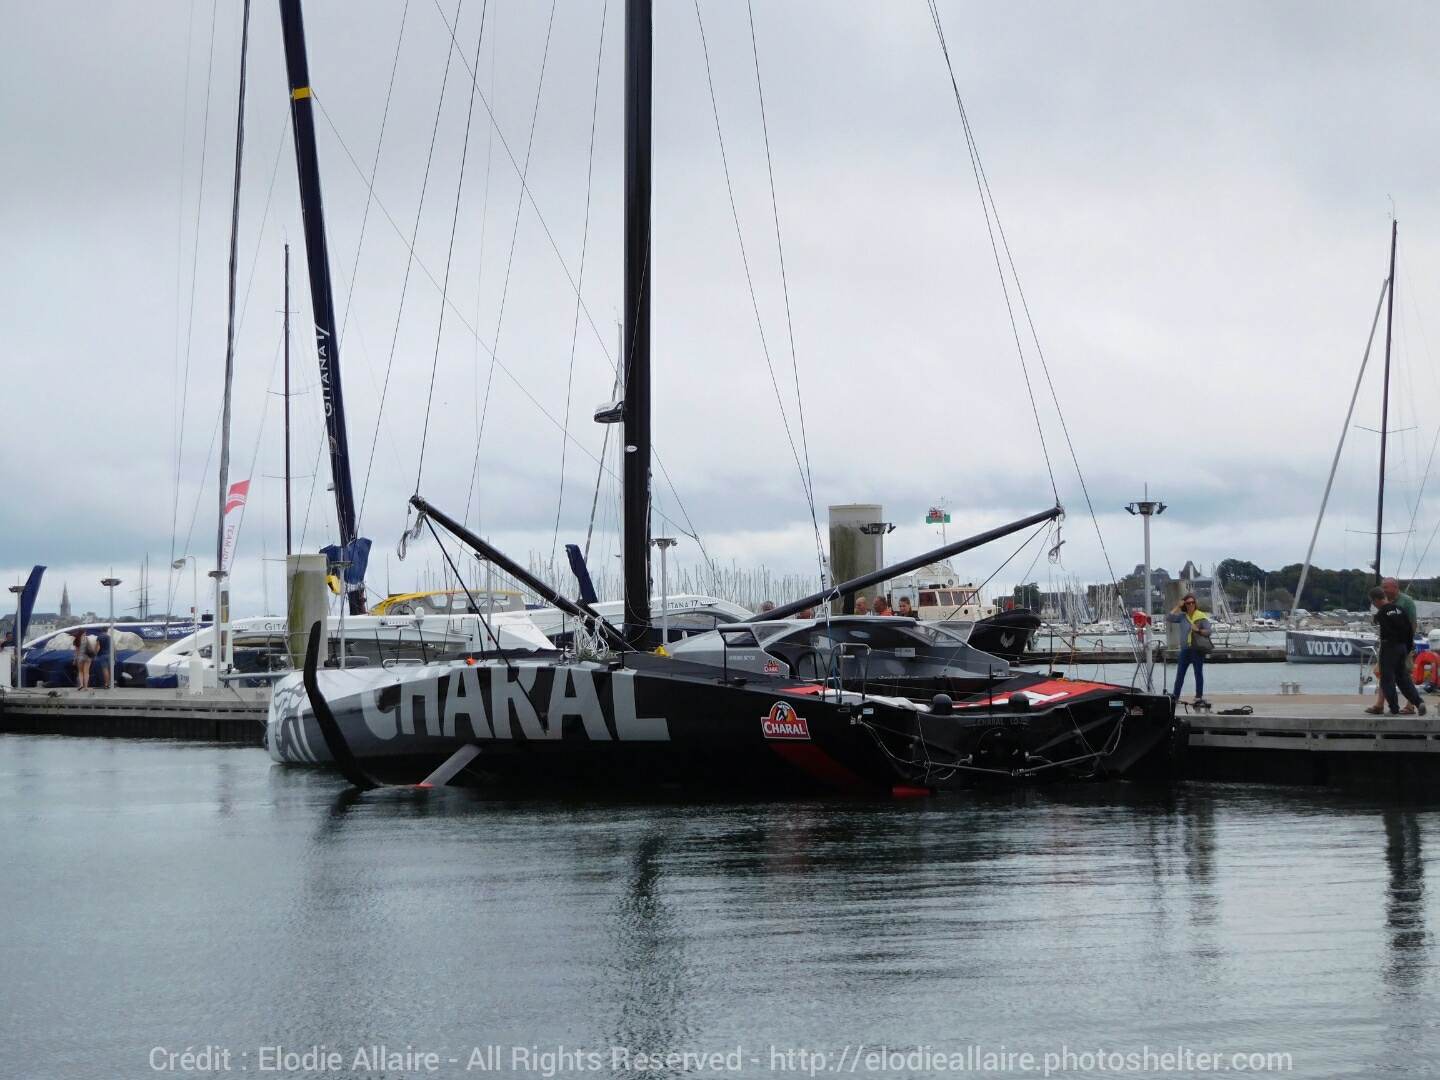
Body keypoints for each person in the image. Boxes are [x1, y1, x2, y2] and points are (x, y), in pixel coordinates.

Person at [1368, 586, 1426, 716]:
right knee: (1402, 677)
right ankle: (1418, 702)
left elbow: (1386, 631)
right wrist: (1408, 646)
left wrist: (1386, 645)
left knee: (1387, 678)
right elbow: (1409, 629)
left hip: (1389, 646)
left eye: (1373, 602)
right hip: (1402, 647)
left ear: (1376, 599)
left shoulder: (1382, 613)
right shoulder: (1400, 610)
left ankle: (1393, 708)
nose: (1374, 605)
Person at [1167, 593, 1212, 703]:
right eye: (1188, 603)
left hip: (1197, 649)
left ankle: (1198, 696)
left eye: (1192, 602)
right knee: (1180, 673)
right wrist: (1178, 606)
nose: (1191, 604)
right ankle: (1175, 696)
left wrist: (1198, 630)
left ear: (1195, 604)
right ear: (1185, 605)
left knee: (1198, 672)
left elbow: (1209, 632)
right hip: (1185, 649)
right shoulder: (1183, 617)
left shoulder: (1201, 617)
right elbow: (1169, 617)